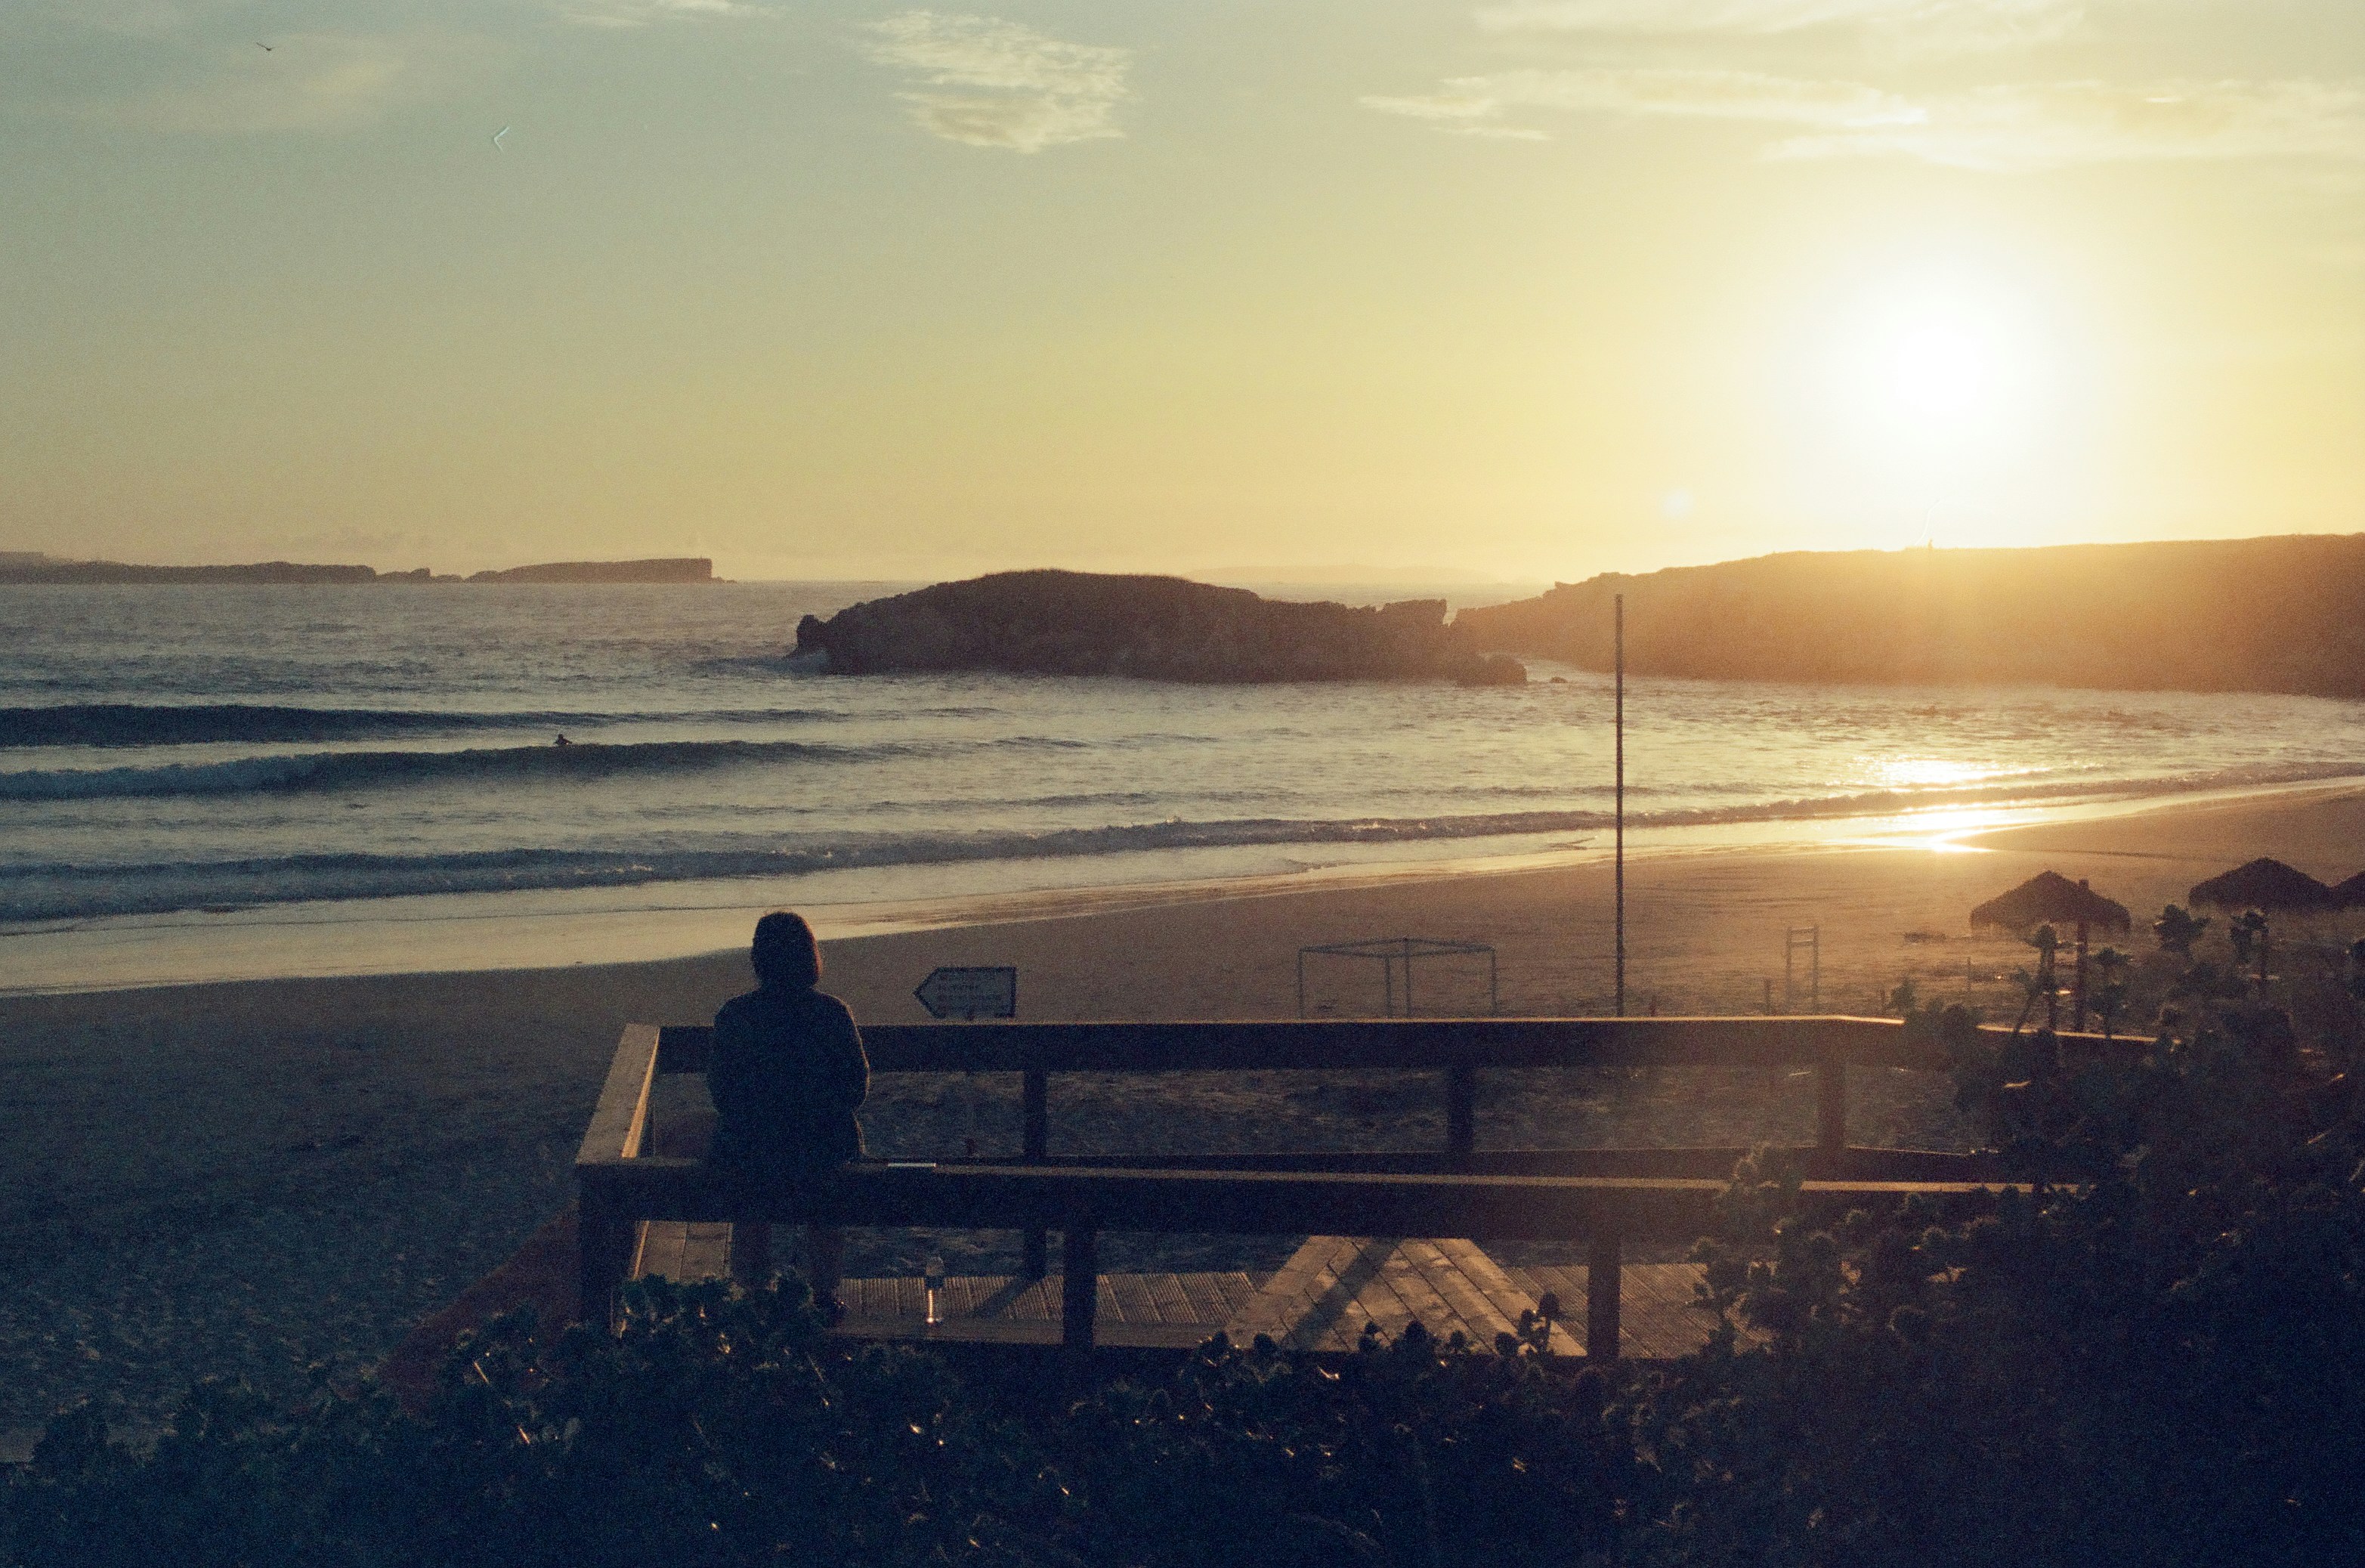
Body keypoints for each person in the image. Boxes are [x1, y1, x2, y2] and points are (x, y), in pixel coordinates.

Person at [707, 911, 869, 1314]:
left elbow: (720, 1089)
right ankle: (827, 1294)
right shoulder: (832, 1012)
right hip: (823, 1147)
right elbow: (856, 1086)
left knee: (751, 1208)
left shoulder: (736, 1014)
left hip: (752, 1147)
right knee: (826, 1208)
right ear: (809, 957)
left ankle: (750, 1292)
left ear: (758, 959)